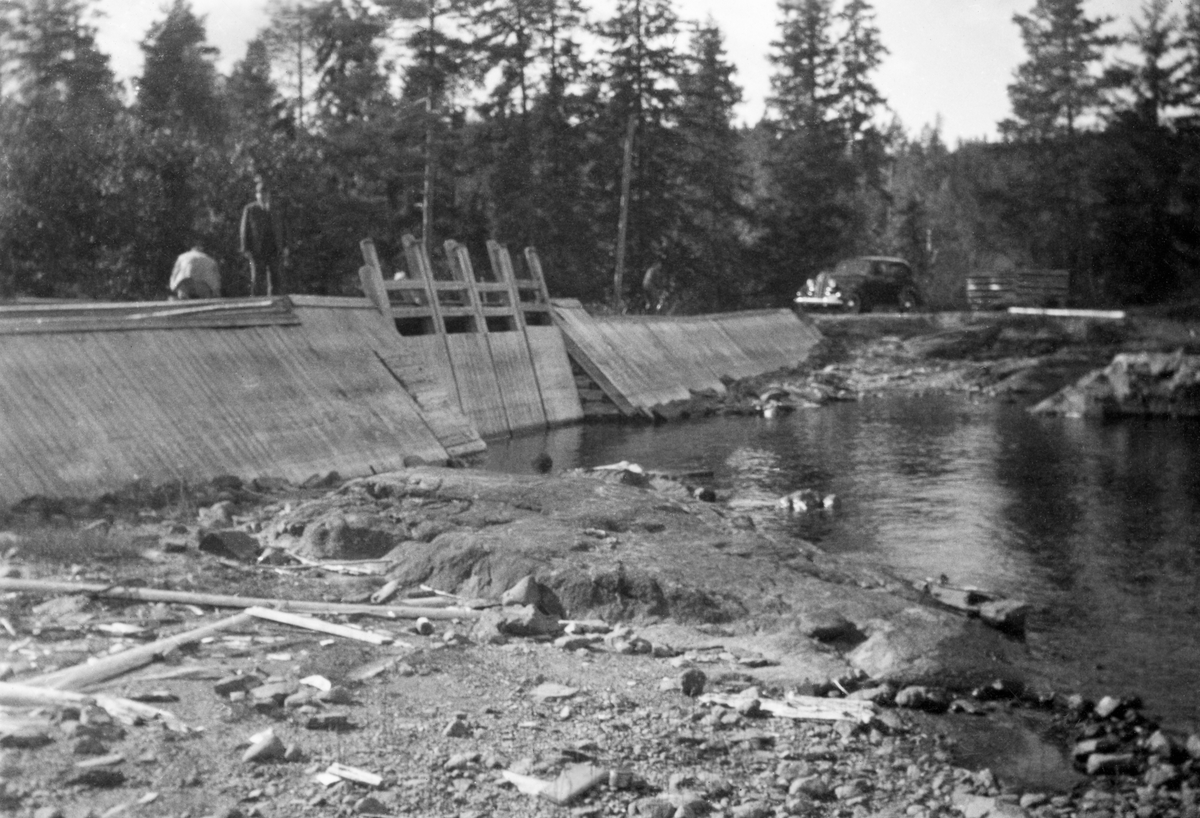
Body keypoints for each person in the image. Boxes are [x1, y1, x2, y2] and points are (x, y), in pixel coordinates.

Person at [239, 174, 287, 296]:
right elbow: (245, 230)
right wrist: (245, 248)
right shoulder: (250, 209)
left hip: (274, 249)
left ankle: (275, 304)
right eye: (260, 193)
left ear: (269, 195)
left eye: (265, 193)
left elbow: (283, 228)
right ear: (257, 195)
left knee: (276, 278)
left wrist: (285, 246)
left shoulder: (276, 209)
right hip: (257, 250)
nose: (263, 196)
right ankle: (257, 303)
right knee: (257, 279)